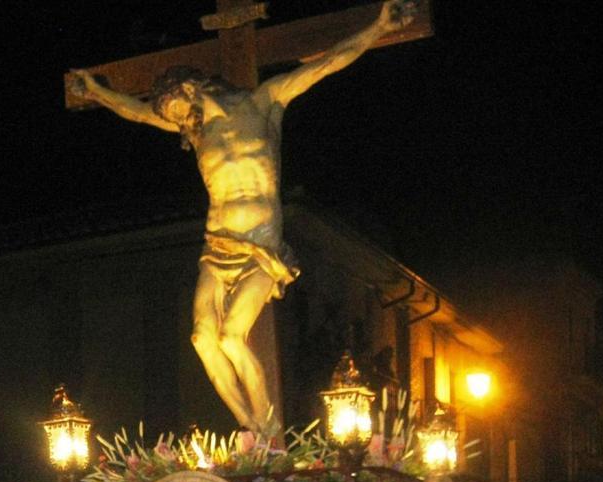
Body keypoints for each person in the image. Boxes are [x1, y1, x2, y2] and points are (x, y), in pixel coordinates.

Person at [67, 0, 415, 439]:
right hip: (217, 246)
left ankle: (267, 429)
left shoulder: (264, 101)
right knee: (201, 338)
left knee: (232, 337)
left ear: (190, 89)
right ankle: (247, 427)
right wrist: (95, 91)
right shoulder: (196, 132)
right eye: (175, 119)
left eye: (176, 110)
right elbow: (136, 112)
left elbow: (326, 64)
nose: (178, 123)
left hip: (261, 248)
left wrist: (378, 27)